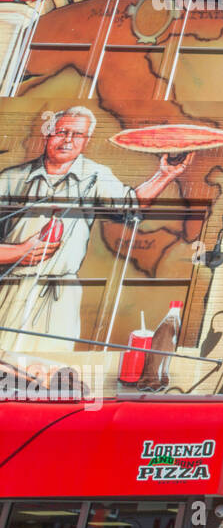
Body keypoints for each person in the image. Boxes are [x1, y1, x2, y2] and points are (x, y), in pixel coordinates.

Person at [0, 107, 191, 355]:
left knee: (48, 365)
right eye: (62, 132)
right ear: (48, 134)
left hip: (60, 293)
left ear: (86, 140)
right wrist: (17, 252)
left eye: (77, 134)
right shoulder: (11, 179)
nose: (68, 140)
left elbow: (129, 205)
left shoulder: (95, 175)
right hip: (11, 286)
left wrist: (163, 176)